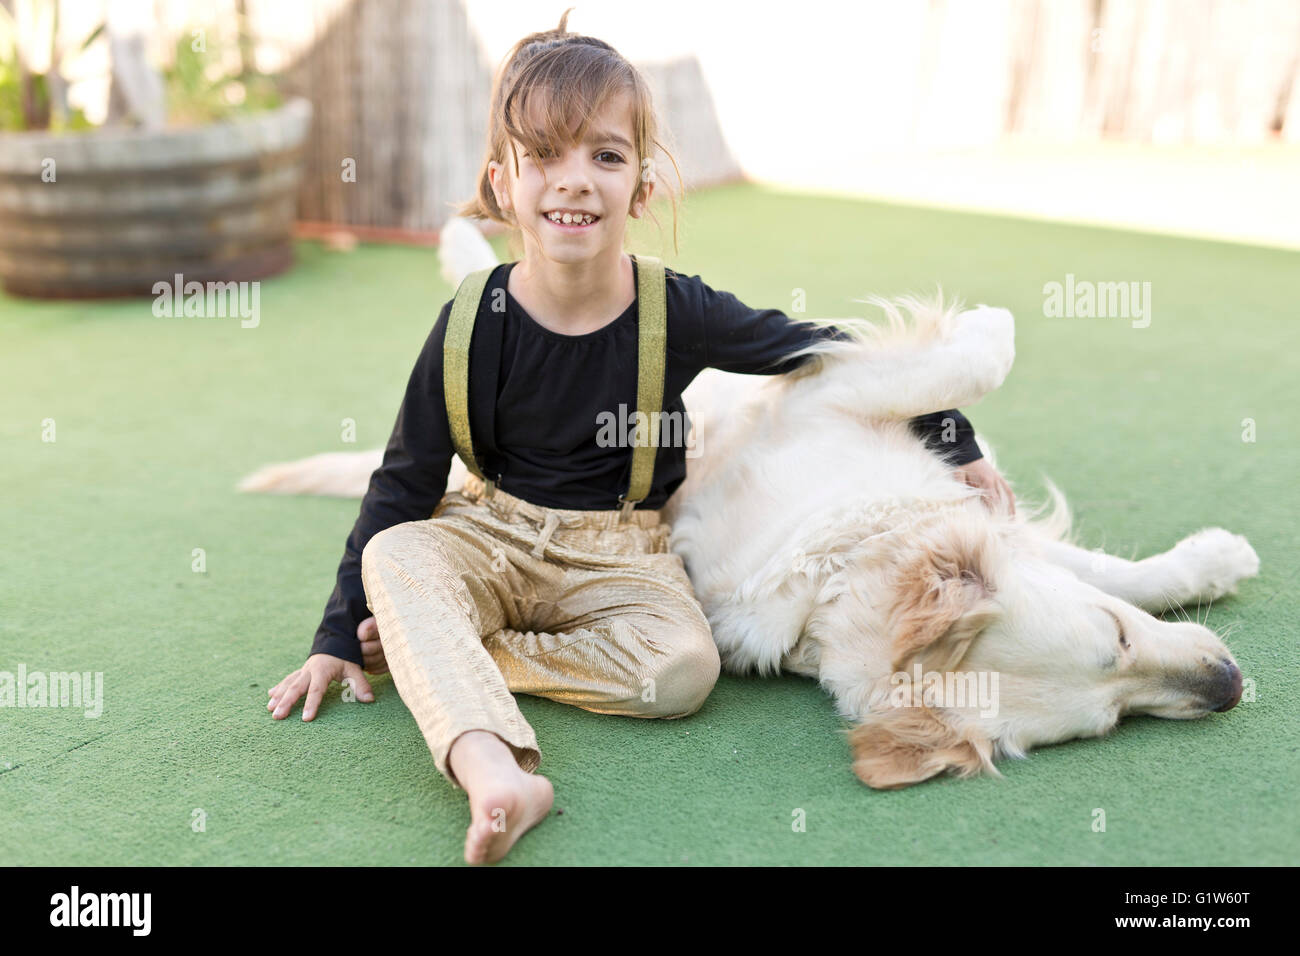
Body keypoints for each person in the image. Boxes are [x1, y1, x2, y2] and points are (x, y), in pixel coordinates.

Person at [265, 10, 1016, 865]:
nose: (574, 180)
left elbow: (824, 350)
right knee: (398, 556)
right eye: (544, 155)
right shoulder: (473, 321)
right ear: (502, 183)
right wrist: (335, 637)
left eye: (605, 155)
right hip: (491, 530)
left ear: (642, 186)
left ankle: (448, 644)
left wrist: (950, 429)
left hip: (623, 555)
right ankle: (494, 773)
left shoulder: (675, 309)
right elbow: (402, 482)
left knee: (681, 673)